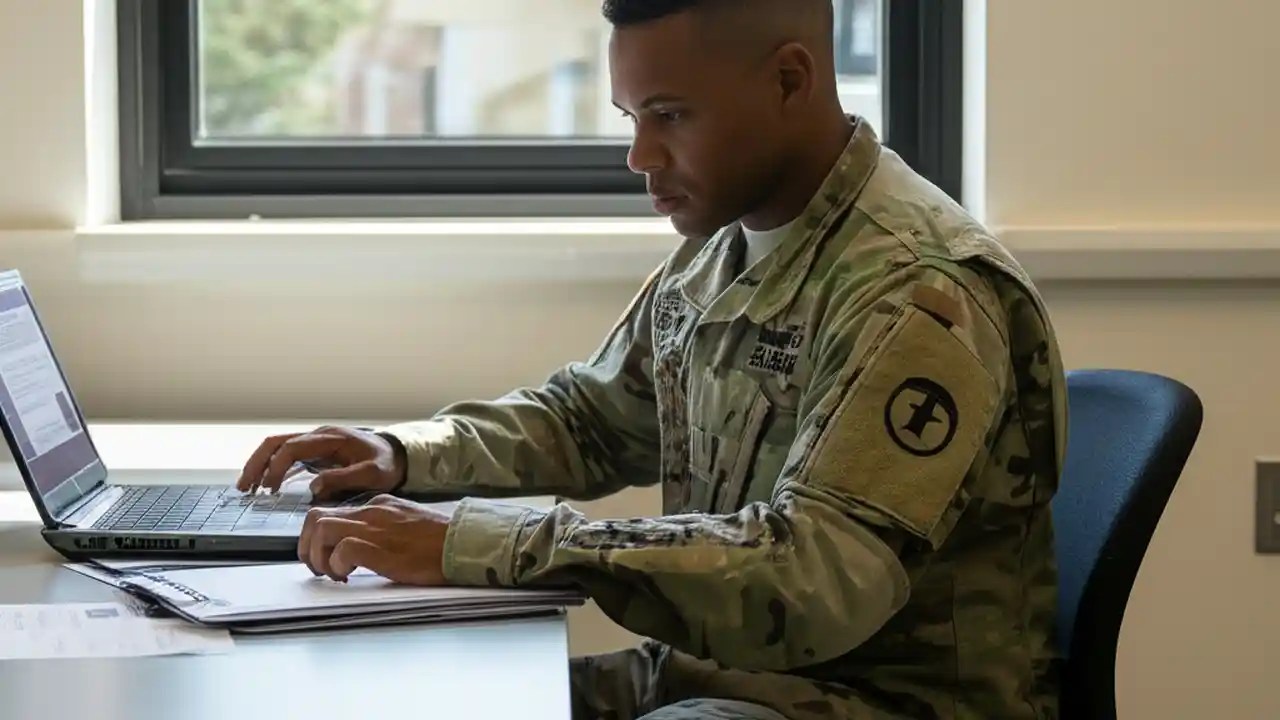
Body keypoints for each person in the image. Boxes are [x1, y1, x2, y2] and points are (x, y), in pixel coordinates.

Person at [236, 0, 1068, 717]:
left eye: (670, 116)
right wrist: (405, 453)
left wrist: (479, 543)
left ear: (789, 80)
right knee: (409, 698)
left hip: (872, 706)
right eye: (631, 117)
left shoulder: (919, 288)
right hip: (712, 682)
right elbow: (591, 420)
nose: (640, 156)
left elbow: (812, 577)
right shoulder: (723, 244)